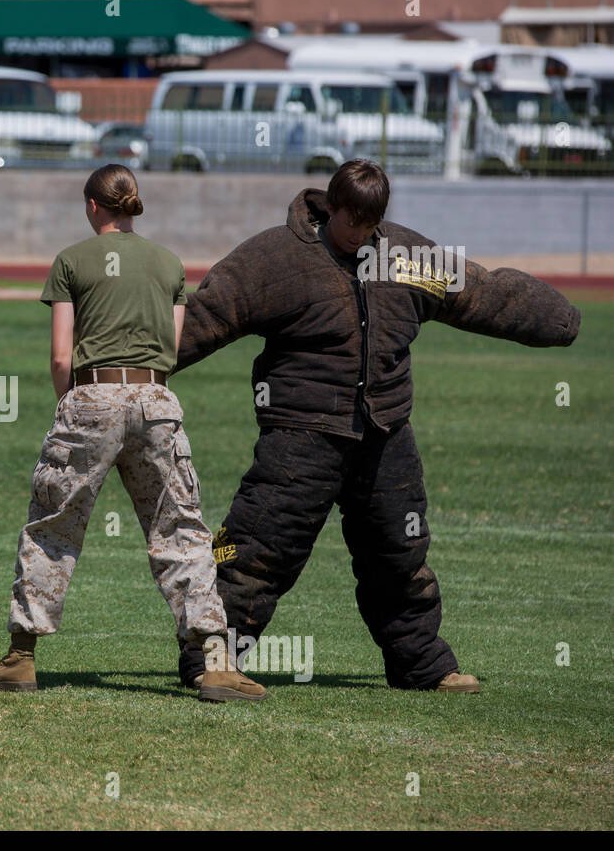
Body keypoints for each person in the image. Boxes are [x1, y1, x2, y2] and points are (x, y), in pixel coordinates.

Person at [173, 160, 581, 693]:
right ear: (331, 207)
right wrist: (119, 367)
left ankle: (422, 666)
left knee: (401, 553)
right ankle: (210, 660)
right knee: (249, 549)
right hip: (299, 437)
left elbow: (483, 293)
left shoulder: (407, 257)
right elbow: (204, 317)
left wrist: (564, 323)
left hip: (386, 435)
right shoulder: (273, 257)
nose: (360, 234)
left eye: (371, 224)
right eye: (351, 222)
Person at [0, 164, 264, 703]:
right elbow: (170, 354)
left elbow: (62, 355)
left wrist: (73, 405)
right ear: (132, 207)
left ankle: (21, 656)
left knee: (54, 525)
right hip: (156, 400)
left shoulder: (70, 261)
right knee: (182, 529)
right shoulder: (169, 263)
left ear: (91, 206)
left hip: (92, 396)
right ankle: (216, 663)